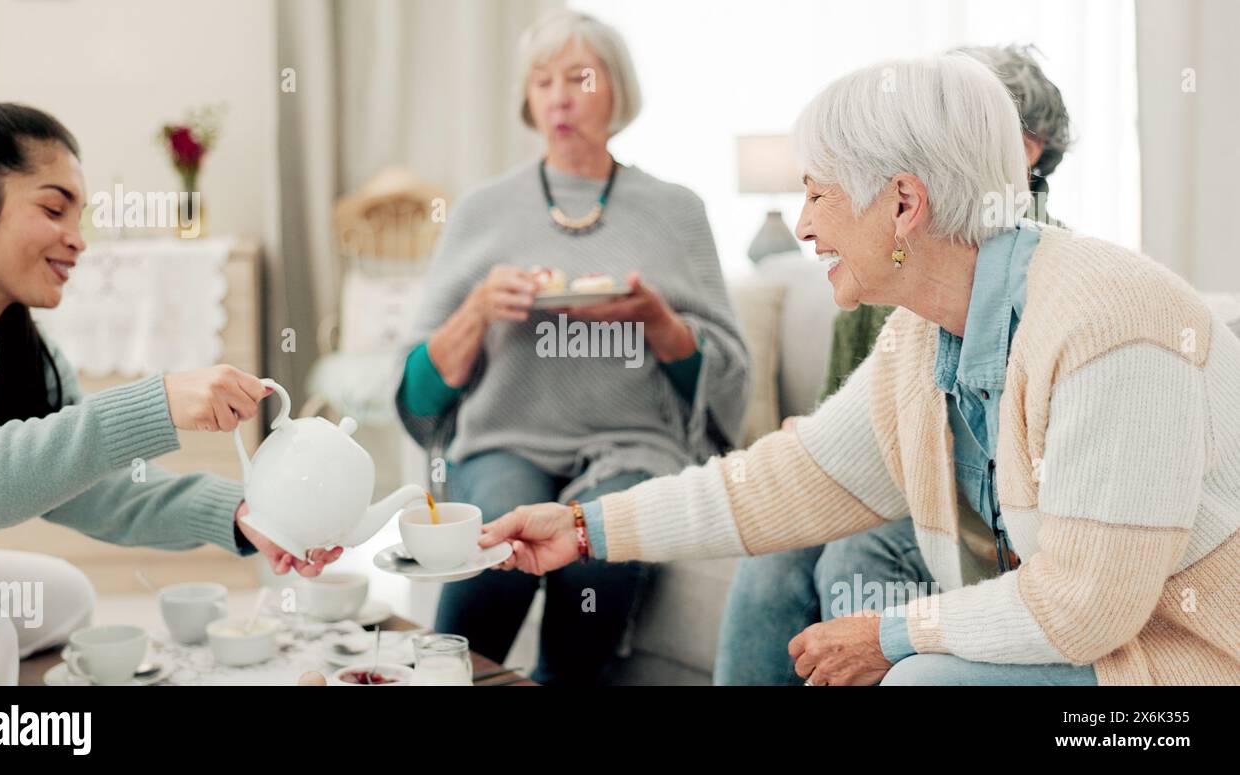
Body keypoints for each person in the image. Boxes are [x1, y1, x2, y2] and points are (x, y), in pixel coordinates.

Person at [478, 54, 1240, 686]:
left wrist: (894, 631)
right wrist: (584, 527)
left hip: (1177, 674)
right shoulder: (922, 341)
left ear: (904, 201)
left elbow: (1085, 608)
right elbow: (783, 480)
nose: (804, 225)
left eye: (817, 193)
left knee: (920, 678)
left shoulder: (1109, 325)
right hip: (1092, 652)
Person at [0, 87, 341, 685]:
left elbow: (89, 488)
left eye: (80, 217)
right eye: (54, 210)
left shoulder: (20, 343)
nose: (78, 239)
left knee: (64, 596)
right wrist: (157, 402)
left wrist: (240, 513)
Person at [394, 9, 749, 685]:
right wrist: (475, 310)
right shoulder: (481, 211)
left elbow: (729, 376)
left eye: (579, 77)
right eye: (542, 79)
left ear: (618, 90)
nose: (558, 95)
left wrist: (657, 319)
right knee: (500, 536)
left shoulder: (676, 210)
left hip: (633, 442)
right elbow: (417, 391)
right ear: (527, 99)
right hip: (506, 437)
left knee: (596, 549)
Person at [716, 43, 1074, 685]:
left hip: (968, 518)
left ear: (1029, 152)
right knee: (774, 550)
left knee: (856, 552)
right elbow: (836, 426)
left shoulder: (1053, 279)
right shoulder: (866, 273)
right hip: (892, 483)